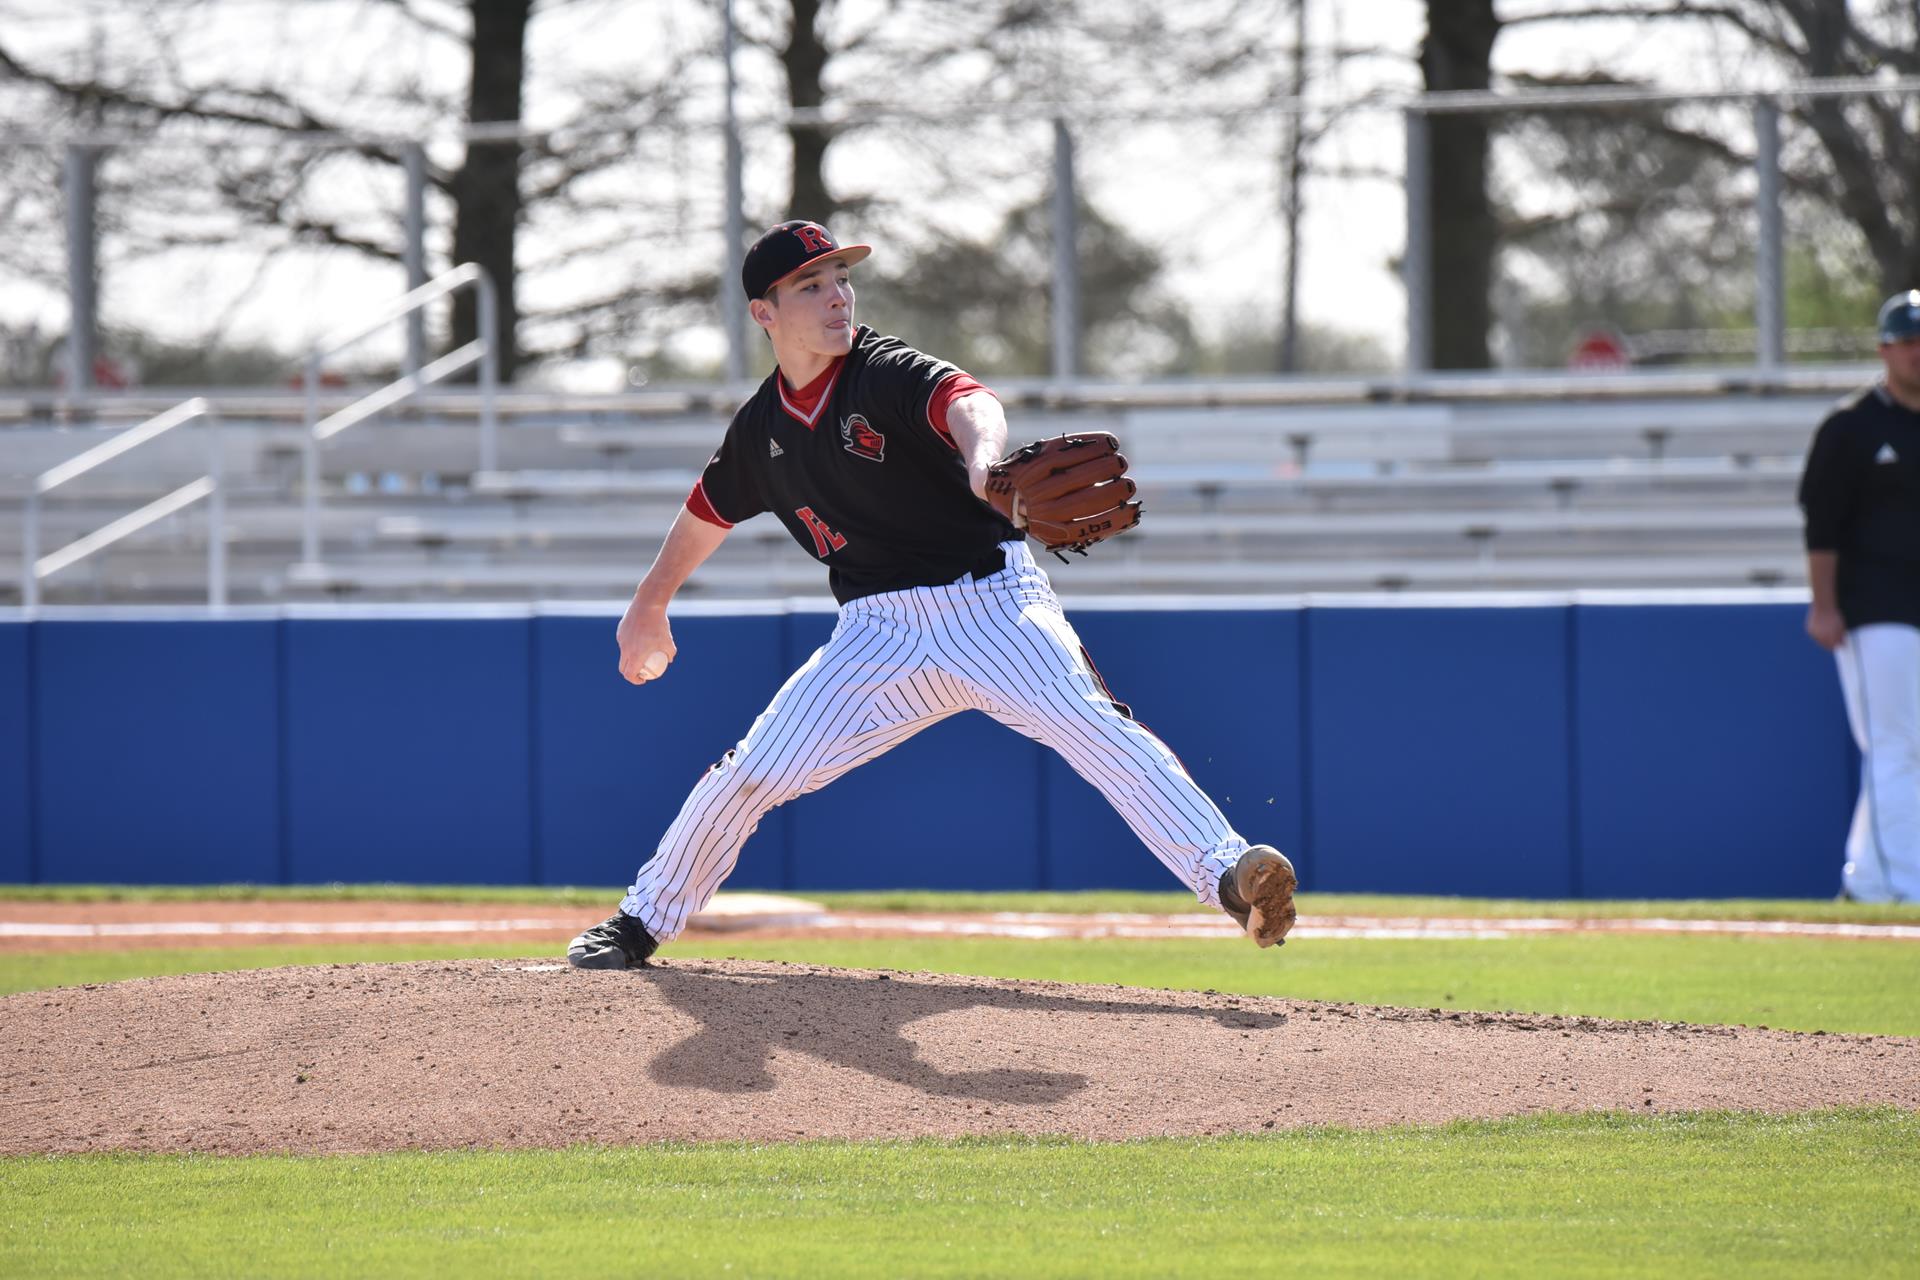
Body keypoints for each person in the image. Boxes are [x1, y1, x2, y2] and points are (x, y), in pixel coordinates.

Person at [568, 219, 1296, 968]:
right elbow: (705, 512)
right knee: (751, 771)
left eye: (843, 279)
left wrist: (986, 465)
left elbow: (966, 399)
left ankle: (1230, 878)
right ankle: (638, 922)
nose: (838, 297)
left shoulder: (882, 370)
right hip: (875, 633)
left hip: (991, 608)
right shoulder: (761, 431)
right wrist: (648, 604)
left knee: (1095, 730)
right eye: (812, 285)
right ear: (765, 313)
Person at [1797, 290, 1920, 903]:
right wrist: (1824, 603)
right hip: (1876, 610)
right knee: (1896, 744)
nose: (1917, 353)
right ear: (1885, 350)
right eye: (1908, 342)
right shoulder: (1852, 427)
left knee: (1903, 748)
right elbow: (1822, 523)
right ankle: (1903, 887)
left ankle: (1868, 882)